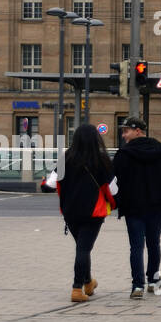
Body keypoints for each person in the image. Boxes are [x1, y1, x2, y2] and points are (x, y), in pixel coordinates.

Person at [112, 117, 161, 299]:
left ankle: (137, 286)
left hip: (133, 207)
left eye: (126, 131)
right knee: (154, 243)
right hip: (156, 206)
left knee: (136, 246)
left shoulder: (123, 155)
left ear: (138, 131)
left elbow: (114, 182)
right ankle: (154, 281)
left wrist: (119, 200)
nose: (124, 135)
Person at [54, 123, 115, 303]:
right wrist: (117, 203)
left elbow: (49, 183)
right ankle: (76, 288)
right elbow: (111, 188)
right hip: (93, 212)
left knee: (82, 247)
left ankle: (88, 283)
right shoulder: (101, 160)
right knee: (83, 249)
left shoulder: (66, 158)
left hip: (70, 212)